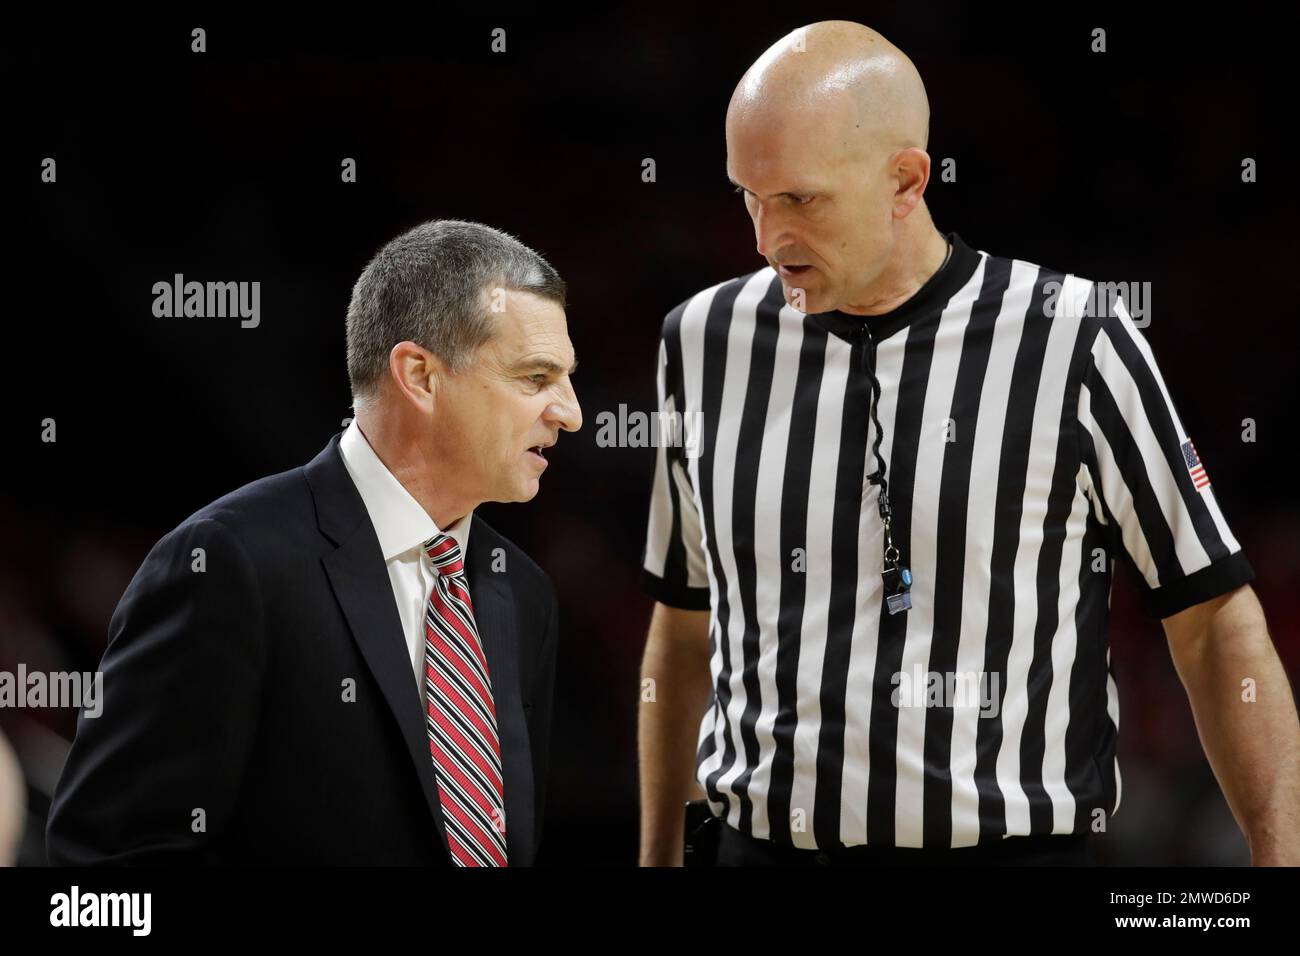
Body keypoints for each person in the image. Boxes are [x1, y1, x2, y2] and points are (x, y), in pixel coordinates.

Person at [638, 21, 1300, 866]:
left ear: (906, 179)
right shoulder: (700, 341)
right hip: (754, 847)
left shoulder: (1074, 337)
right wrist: (657, 856)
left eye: (800, 200)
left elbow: (1212, 618)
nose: (766, 241)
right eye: (747, 196)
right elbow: (684, 621)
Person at [47, 219, 582, 866]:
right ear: (420, 376)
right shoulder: (231, 562)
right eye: (535, 377)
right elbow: (104, 874)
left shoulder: (520, 592)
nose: (571, 412)